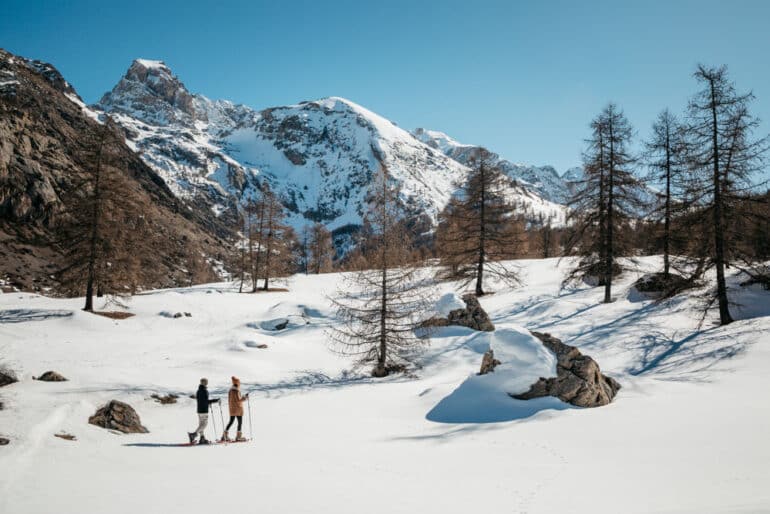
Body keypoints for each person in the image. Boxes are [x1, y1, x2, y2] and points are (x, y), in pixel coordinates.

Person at [188, 377, 220, 445]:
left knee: (201, 424)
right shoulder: (205, 391)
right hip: (204, 410)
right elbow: (206, 401)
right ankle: (193, 435)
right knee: (204, 424)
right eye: (206, 382)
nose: (207, 383)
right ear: (204, 383)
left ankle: (202, 438)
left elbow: (202, 400)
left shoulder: (198, 391)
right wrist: (215, 400)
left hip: (199, 410)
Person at [222, 376, 249, 442]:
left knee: (231, 421)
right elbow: (238, 400)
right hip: (238, 409)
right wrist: (245, 397)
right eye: (239, 383)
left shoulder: (231, 390)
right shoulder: (236, 391)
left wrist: (243, 397)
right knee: (240, 422)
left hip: (232, 409)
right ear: (237, 383)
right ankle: (238, 437)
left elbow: (235, 400)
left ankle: (224, 435)